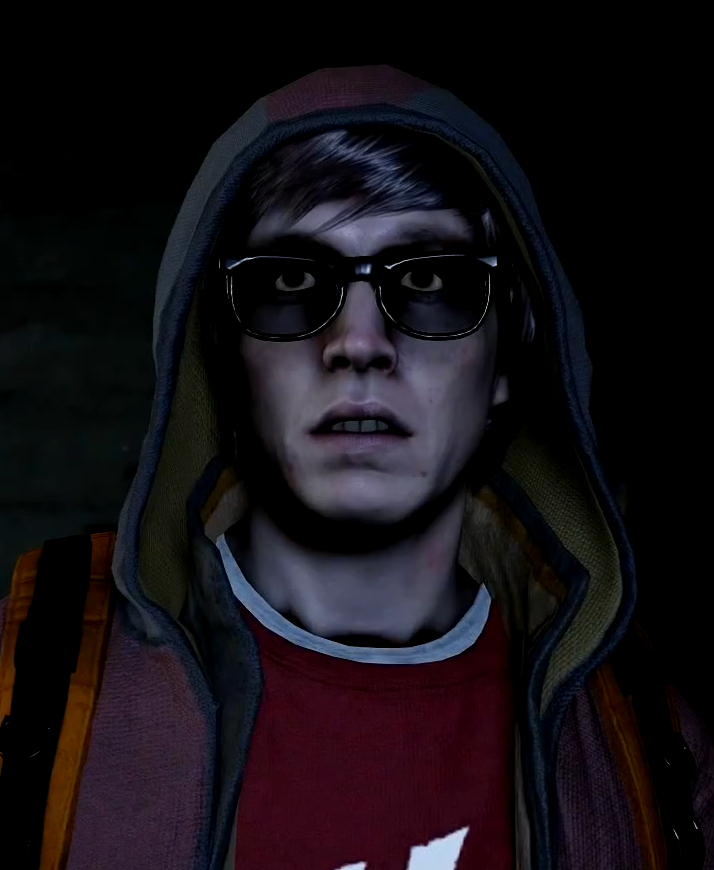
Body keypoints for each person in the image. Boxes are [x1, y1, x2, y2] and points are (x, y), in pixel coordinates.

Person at [0, 65, 712, 869]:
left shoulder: (646, 742)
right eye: (291, 280)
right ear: (222, 355)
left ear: (508, 354)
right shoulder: (28, 690)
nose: (360, 344)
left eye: (432, 280)